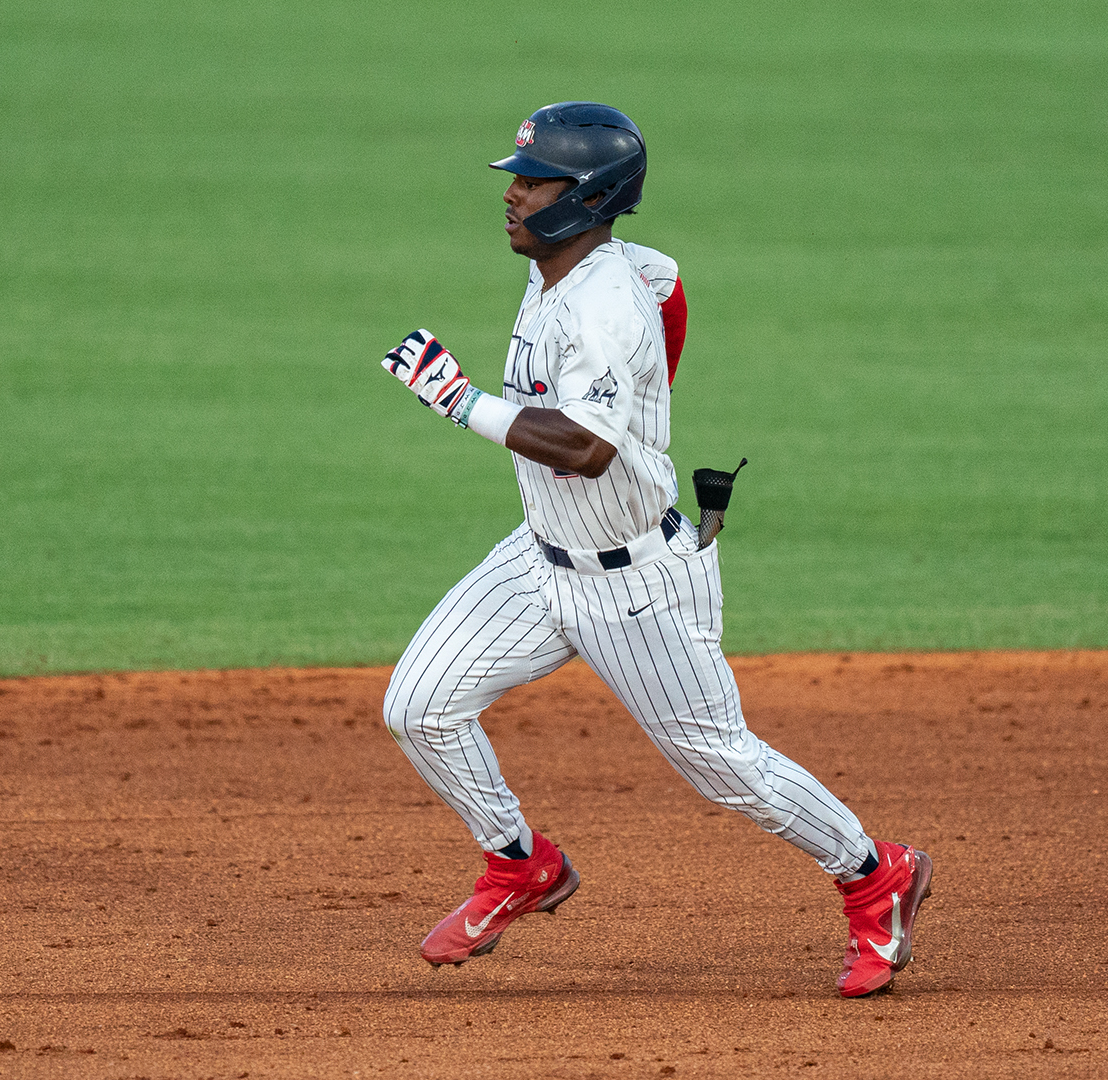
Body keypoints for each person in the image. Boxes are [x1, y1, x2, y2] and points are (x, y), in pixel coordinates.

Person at [376, 101, 931, 998]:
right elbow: (666, 283)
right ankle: (519, 865)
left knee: (725, 767)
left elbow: (589, 447)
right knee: (419, 707)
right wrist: (650, 405)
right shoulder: (585, 266)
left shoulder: (600, 305)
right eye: (516, 178)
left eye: (532, 180)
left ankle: (876, 876)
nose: (512, 196)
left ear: (587, 195)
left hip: (633, 586)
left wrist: (458, 399)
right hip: (537, 557)